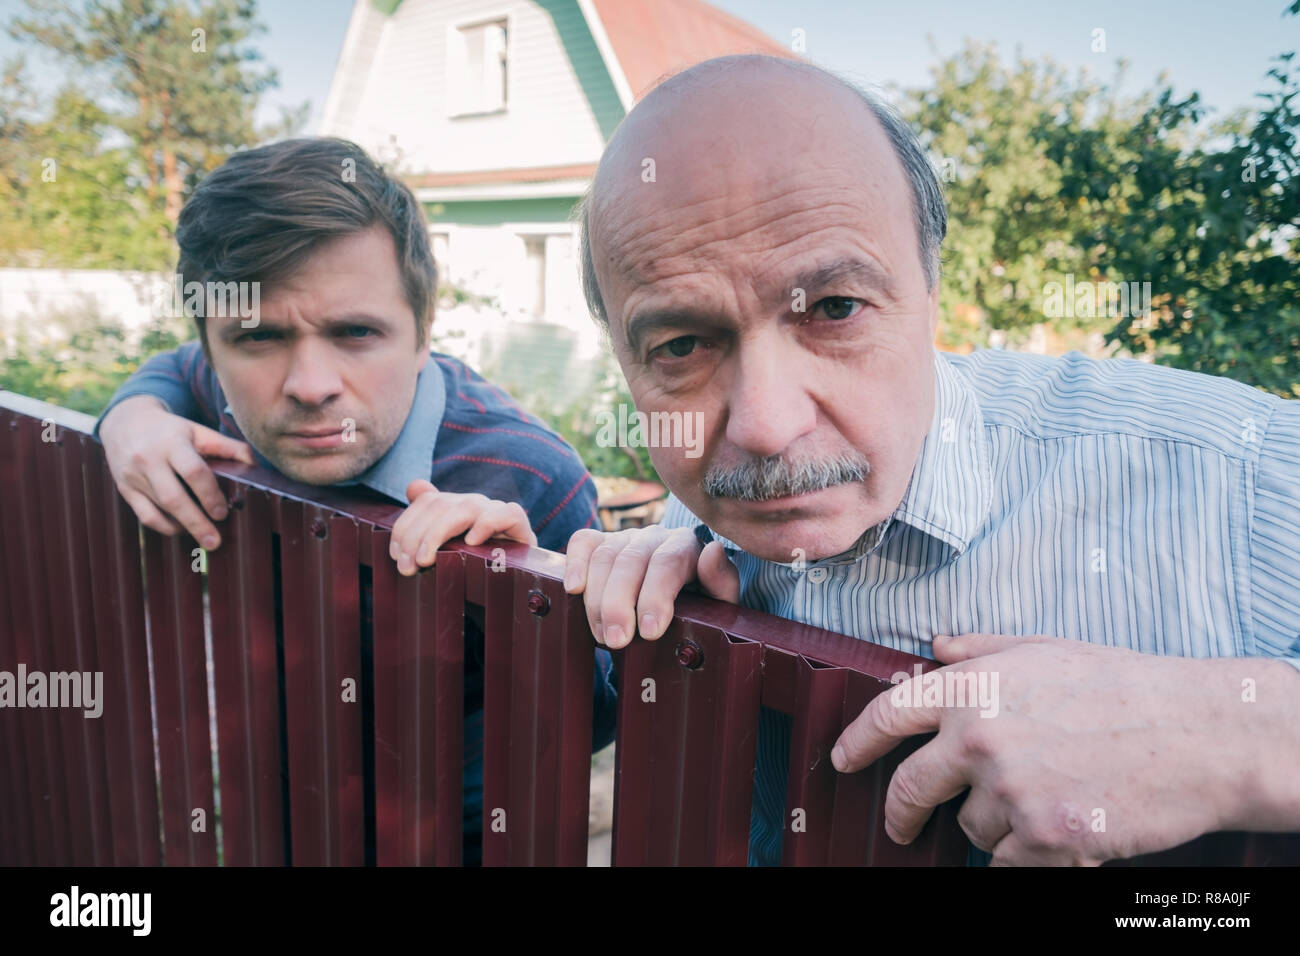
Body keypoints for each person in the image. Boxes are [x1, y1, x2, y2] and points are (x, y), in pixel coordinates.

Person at [561, 54, 1300, 866]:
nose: (767, 425)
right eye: (682, 344)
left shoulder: (1239, 477)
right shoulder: (695, 525)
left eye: (835, 309)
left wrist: (1234, 731)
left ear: (931, 291)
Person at [94, 137, 618, 865]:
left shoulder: (526, 475)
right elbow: (175, 366)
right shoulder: (217, 386)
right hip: (279, 800)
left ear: (422, 332)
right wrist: (133, 414)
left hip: (464, 833)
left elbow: (598, 719)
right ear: (215, 349)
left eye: (355, 333)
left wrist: (522, 611)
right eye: (261, 337)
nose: (310, 384)